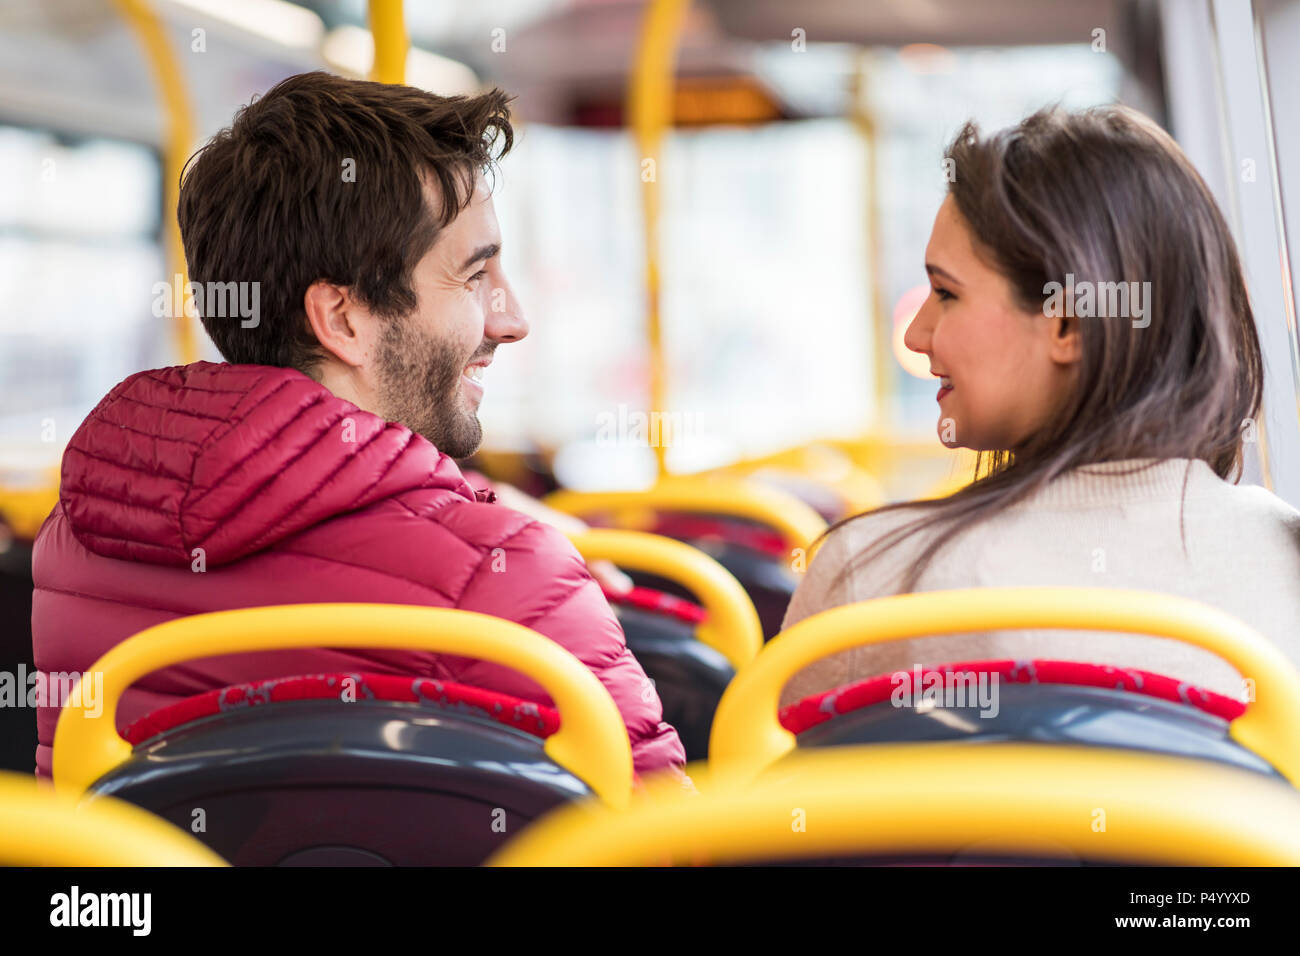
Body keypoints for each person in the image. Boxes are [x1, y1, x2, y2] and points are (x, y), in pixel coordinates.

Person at [31, 72, 684, 777]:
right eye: (474, 277)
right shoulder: (508, 577)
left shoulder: (76, 545)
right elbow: (658, 841)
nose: (512, 319)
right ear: (342, 318)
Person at [781, 105, 1300, 708]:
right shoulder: (1281, 560)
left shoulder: (870, 580)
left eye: (946, 293)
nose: (917, 335)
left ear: (1068, 322)